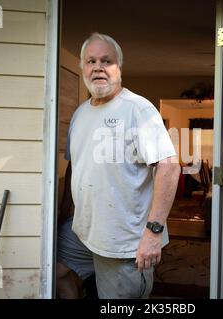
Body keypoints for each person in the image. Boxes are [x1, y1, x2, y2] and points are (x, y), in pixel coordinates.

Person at [56, 32, 180, 299]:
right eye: (91, 61)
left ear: (118, 68)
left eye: (106, 61)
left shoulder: (138, 109)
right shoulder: (81, 113)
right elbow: (74, 165)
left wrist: (153, 233)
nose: (98, 67)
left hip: (124, 242)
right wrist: (66, 211)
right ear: (82, 68)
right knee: (56, 270)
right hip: (83, 232)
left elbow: (169, 168)